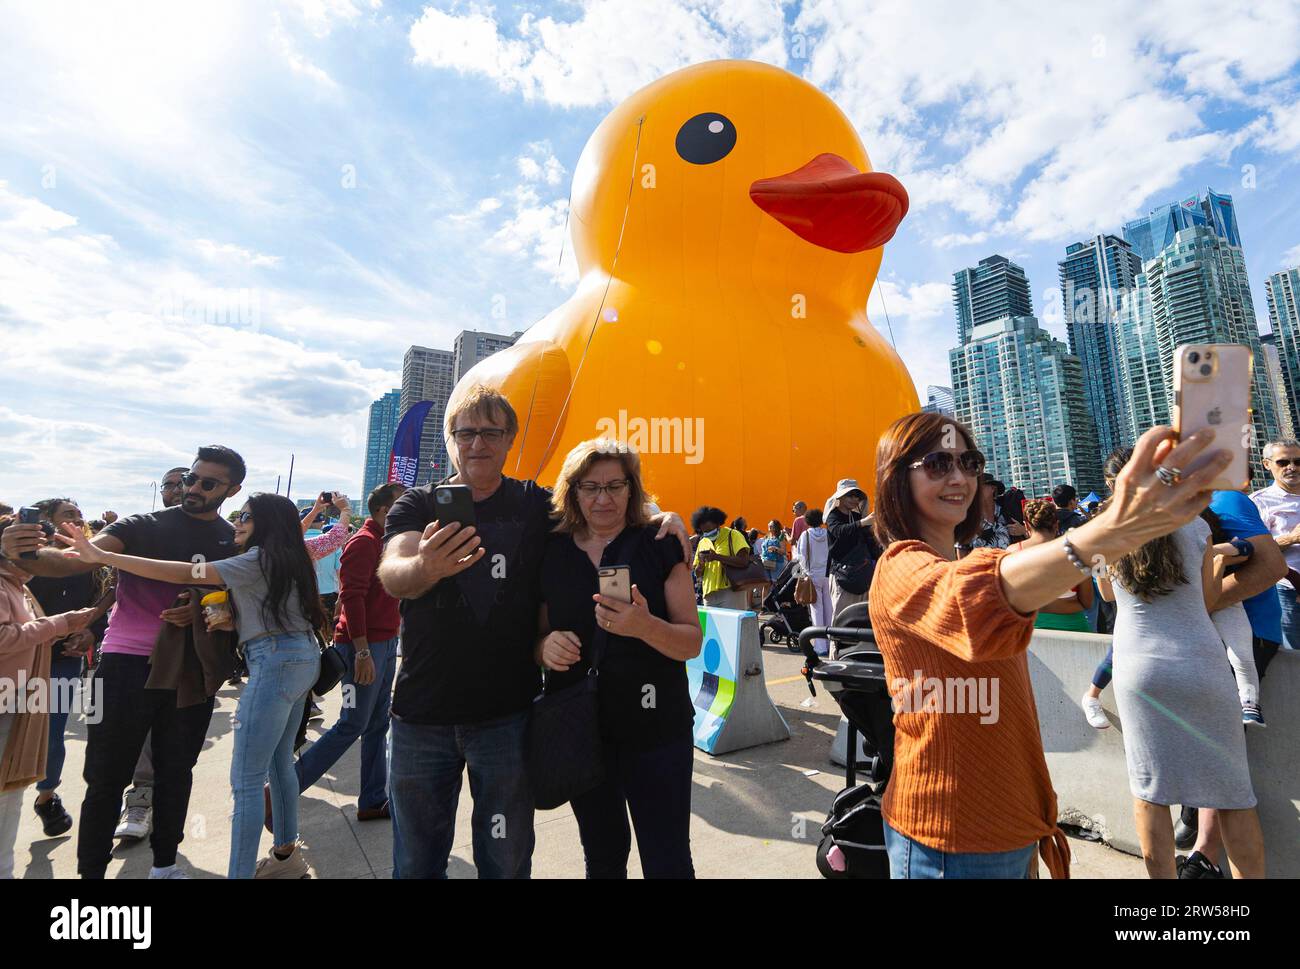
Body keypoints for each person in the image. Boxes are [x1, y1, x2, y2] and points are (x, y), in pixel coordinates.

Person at [868, 411, 1234, 879]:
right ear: (897, 477)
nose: (959, 477)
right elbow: (969, 598)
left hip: (1013, 822)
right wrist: (1116, 527)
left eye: (969, 462)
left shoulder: (964, 558)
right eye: (937, 464)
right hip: (949, 836)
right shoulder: (900, 566)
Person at [377, 385, 687, 879]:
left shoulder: (534, 505)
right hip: (422, 715)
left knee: (506, 860)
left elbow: (598, 503)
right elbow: (393, 573)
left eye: (492, 432)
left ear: (510, 440)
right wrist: (427, 566)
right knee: (416, 860)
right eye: (467, 432)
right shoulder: (418, 505)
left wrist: (662, 518)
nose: (478, 443)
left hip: (507, 717)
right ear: (450, 440)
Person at [0, 445, 245, 879]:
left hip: (191, 670)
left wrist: (203, 610)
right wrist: (25, 554)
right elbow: (76, 560)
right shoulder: (141, 524)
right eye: (191, 478)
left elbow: (240, 601)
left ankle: (166, 866)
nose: (192, 489)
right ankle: (90, 873)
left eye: (208, 483)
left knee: (176, 772)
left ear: (232, 489)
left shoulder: (232, 539)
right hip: (122, 664)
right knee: (104, 777)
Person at [60, 491, 326, 879]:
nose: (237, 522)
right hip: (302, 657)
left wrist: (105, 556)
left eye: (246, 516)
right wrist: (234, 621)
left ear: (265, 523)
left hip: (274, 662)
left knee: (247, 781)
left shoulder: (253, 560)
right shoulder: (292, 559)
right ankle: (286, 856)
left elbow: (185, 572)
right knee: (280, 763)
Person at [1096, 449, 1266, 880]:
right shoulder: (1193, 526)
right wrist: (1222, 558)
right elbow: (1207, 601)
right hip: (1201, 661)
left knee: (1150, 793)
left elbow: (1107, 596)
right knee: (1232, 795)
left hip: (1138, 669)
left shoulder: (1103, 531)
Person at [536, 439, 702, 878]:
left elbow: (690, 642)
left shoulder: (660, 543)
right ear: (572, 492)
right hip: (581, 731)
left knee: (666, 858)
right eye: (590, 487)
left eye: (614, 485)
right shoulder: (551, 550)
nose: (603, 498)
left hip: (656, 731)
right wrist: (544, 647)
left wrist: (644, 626)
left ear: (632, 489)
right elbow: (537, 631)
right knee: (603, 856)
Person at [290, 483, 406, 825]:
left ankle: (373, 798)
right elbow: (352, 597)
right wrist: (362, 651)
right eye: (403, 505)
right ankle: (284, 787)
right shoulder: (365, 542)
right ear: (385, 512)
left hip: (383, 645)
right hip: (363, 647)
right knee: (351, 724)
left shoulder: (386, 542)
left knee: (377, 723)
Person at [0, 515, 101, 879]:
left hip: (22, 695)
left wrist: (74, 629)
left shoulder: (18, 586)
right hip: (8, 700)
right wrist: (60, 624)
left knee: (12, 790)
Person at [25, 499, 109, 838]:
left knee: (52, 732)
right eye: (67, 515)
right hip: (20, 659)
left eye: (79, 515)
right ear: (48, 522)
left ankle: (46, 798)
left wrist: (90, 633)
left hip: (63, 660)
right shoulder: (25, 561)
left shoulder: (90, 562)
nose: (77, 520)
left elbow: (102, 604)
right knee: (13, 728)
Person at [116, 466, 187, 844]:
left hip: (188, 657)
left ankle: (154, 808)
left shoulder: (224, 538)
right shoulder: (141, 529)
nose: (178, 490)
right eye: (169, 484)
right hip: (131, 651)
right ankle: (136, 801)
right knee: (129, 736)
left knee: (173, 746)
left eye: (186, 482)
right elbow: (111, 582)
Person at [1008, 500, 1093, 631]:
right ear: (1056, 525)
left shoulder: (1012, 553)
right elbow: (1086, 602)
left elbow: (1009, 600)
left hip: (1029, 632)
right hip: (1073, 629)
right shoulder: (1075, 552)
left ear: (1026, 526)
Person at [1249, 438, 1300, 651]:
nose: (1292, 467)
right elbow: (1254, 550)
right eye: (1283, 462)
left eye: (1298, 461)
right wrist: (1292, 538)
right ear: (1267, 464)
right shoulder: (1259, 502)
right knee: (1294, 656)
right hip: (1287, 588)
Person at [824, 479, 882, 621]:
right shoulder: (834, 516)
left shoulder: (857, 517)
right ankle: (837, 643)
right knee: (841, 617)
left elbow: (869, 542)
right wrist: (863, 523)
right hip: (842, 575)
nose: (855, 499)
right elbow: (838, 531)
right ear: (840, 497)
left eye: (857, 496)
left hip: (862, 573)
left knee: (861, 616)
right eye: (850, 495)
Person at [691, 508, 753, 610]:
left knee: (731, 625)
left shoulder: (733, 535)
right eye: (704, 531)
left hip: (731, 590)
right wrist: (701, 565)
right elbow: (697, 574)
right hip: (709, 594)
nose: (707, 533)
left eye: (710, 530)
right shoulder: (702, 542)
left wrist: (716, 557)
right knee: (711, 626)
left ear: (718, 524)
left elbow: (744, 561)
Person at [795, 508, 832, 655]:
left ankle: (820, 646)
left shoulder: (805, 535)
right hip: (828, 574)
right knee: (830, 609)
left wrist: (806, 572)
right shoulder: (828, 533)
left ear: (808, 521)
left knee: (817, 610)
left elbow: (801, 556)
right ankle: (831, 643)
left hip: (813, 575)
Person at [970, 475, 1027, 551]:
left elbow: (1039, 537)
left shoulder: (1009, 511)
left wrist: (1024, 531)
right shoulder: (969, 520)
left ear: (993, 488)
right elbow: (962, 551)